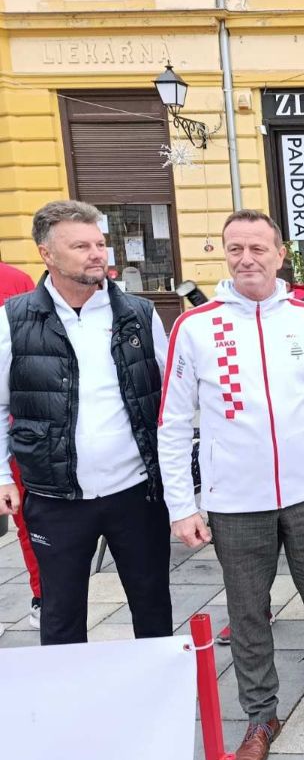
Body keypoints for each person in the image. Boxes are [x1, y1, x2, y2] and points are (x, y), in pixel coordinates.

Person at [159, 210, 304, 760]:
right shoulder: (197, 327)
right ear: (225, 254)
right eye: (236, 248)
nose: (247, 258)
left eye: (259, 247)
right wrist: (182, 504)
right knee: (248, 610)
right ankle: (260, 714)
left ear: (282, 255)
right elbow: (174, 422)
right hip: (235, 500)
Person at [0, 200, 172, 646]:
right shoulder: (12, 319)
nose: (97, 254)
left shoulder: (138, 313)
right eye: (81, 245)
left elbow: (172, 396)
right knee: (60, 615)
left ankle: (156, 699)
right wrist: (3, 475)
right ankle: (67, 706)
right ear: (47, 254)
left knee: (152, 604)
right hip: (55, 497)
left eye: (100, 243)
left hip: (136, 492)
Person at [0, 258, 39, 629]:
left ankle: (43, 593)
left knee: (27, 515)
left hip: (13, 422)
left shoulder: (13, 280)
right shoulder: (15, 278)